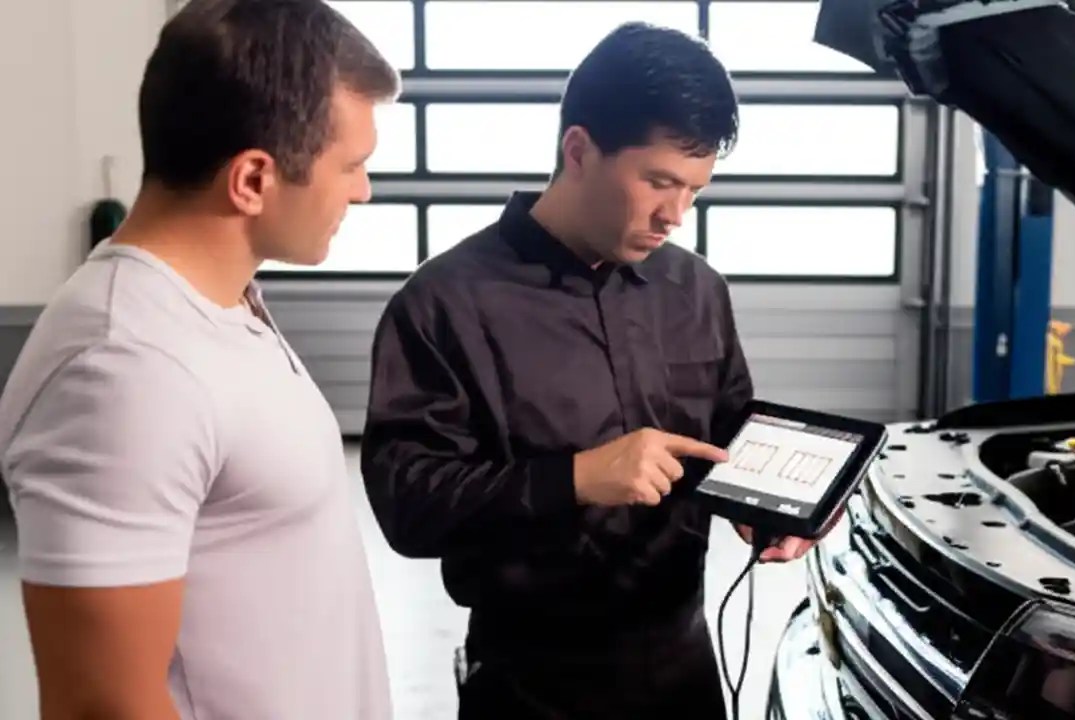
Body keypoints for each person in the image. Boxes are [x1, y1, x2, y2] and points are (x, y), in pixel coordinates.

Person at [362, 22, 815, 720]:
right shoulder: (444, 303)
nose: (675, 215)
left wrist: (782, 502)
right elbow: (408, 505)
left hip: (683, 670)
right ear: (579, 149)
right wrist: (574, 479)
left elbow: (730, 430)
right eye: (658, 182)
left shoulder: (697, 292)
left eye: (694, 189)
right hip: (533, 684)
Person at [0, 1, 400, 718]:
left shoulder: (218, 306)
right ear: (252, 180)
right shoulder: (125, 367)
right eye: (352, 166)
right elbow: (104, 706)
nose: (362, 190)